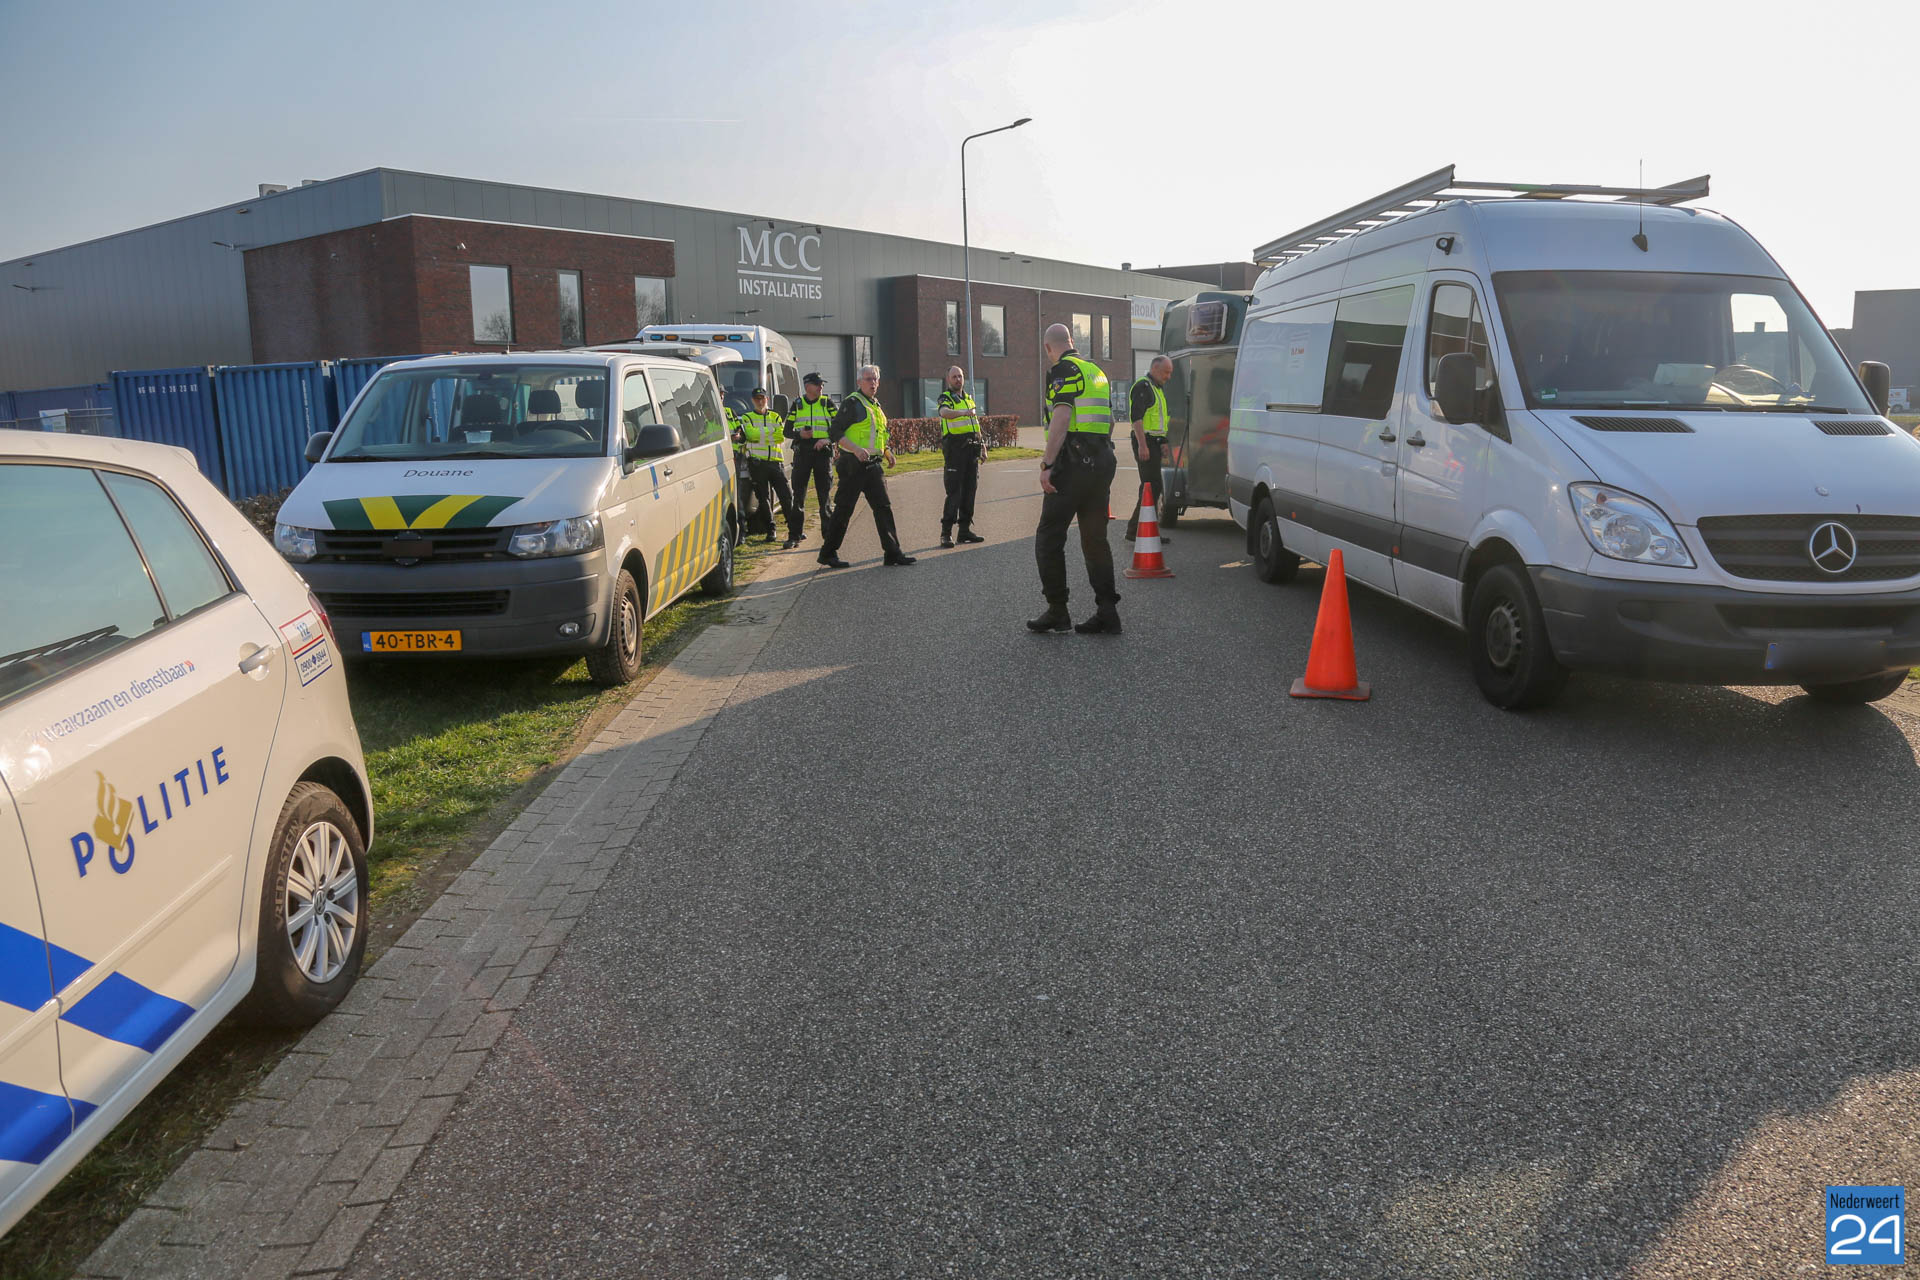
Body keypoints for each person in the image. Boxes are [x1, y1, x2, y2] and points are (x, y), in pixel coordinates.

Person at [1028, 323, 1119, 634]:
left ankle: (1057, 610)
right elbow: (1109, 420)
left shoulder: (1062, 369)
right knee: (1095, 539)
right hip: (1102, 460)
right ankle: (1107, 612)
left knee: (1049, 538)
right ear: (1071, 341)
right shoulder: (1096, 371)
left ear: (1048, 348)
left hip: (1074, 462)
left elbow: (1062, 417)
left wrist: (1047, 465)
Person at [817, 364, 915, 569]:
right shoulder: (852, 403)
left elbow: (878, 435)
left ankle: (892, 553)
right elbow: (835, 432)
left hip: (873, 465)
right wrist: (855, 449)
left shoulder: (875, 405)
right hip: (853, 465)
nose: (873, 383)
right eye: (869, 379)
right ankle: (828, 553)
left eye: (875, 379)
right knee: (844, 510)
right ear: (859, 382)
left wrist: (887, 452)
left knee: (883, 508)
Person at [732, 388, 801, 547]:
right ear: (752, 400)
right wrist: (769, 433)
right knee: (763, 499)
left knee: (786, 496)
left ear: (767, 399)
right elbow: (751, 435)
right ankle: (771, 530)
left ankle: (794, 530)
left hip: (775, 462)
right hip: (757, 463)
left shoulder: (775, 416)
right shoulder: (748, 417)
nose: (760, 401)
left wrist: (760, 435)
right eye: (757, 398)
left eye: (762, 398)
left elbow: (780, 435)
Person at [936, 365, 987, 548]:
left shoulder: (968, 399)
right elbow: (944, 413)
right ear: (948, 379)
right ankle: (946, 533)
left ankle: (964, 531)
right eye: (954, 376)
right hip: (955, 452)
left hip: (971, 451)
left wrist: (982, 446)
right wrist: (962, 413)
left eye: (960, 376)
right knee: (954, 493)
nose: (958, 379)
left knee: (970, 491)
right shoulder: (946, 397)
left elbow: (975, 423)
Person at [1125, 355, 1174, 544]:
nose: (1168, 377)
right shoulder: (1143, 387)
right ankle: (1140, 530)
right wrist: (1143, 445)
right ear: (1154, 368)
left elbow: (1158, 420)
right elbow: (1136, 418)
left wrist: (1162, 442)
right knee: (1150, 487)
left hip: (1153, 443)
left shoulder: (1156, 389)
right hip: (1144, 443)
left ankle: (1139, 529)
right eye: (1166, 372)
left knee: (1152, 487)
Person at [786, 372, 835, 533]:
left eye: (822, 384)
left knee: (824, 497)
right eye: (818, 384)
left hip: (823, 453)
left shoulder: (827, 403)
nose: (821, 386)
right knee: (798, 497)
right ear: (808, 387)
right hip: (803, 453)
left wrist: (826, 440)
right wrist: (800, 434)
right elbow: (786, 431)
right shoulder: (797, 404)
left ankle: (827, 537)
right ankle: (795, 535)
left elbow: (840, 428)